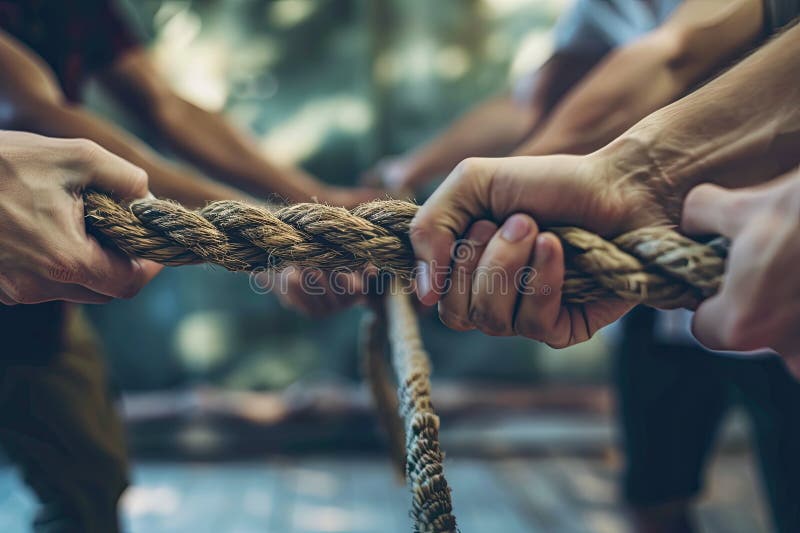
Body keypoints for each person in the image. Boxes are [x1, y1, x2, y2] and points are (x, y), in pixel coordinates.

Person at [409, 17, 800, 533]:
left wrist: (502, 200)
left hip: (763, 253)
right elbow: (532, 98)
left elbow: (673, 53)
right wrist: (406, 176)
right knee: (652, 493)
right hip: (658, 274)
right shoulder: (590, 13)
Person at [0, 2, 375, 532]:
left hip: (37, 309)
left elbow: (165, 106)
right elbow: (32, 116)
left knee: (88, 491)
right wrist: (273, 235)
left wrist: (314, 203)